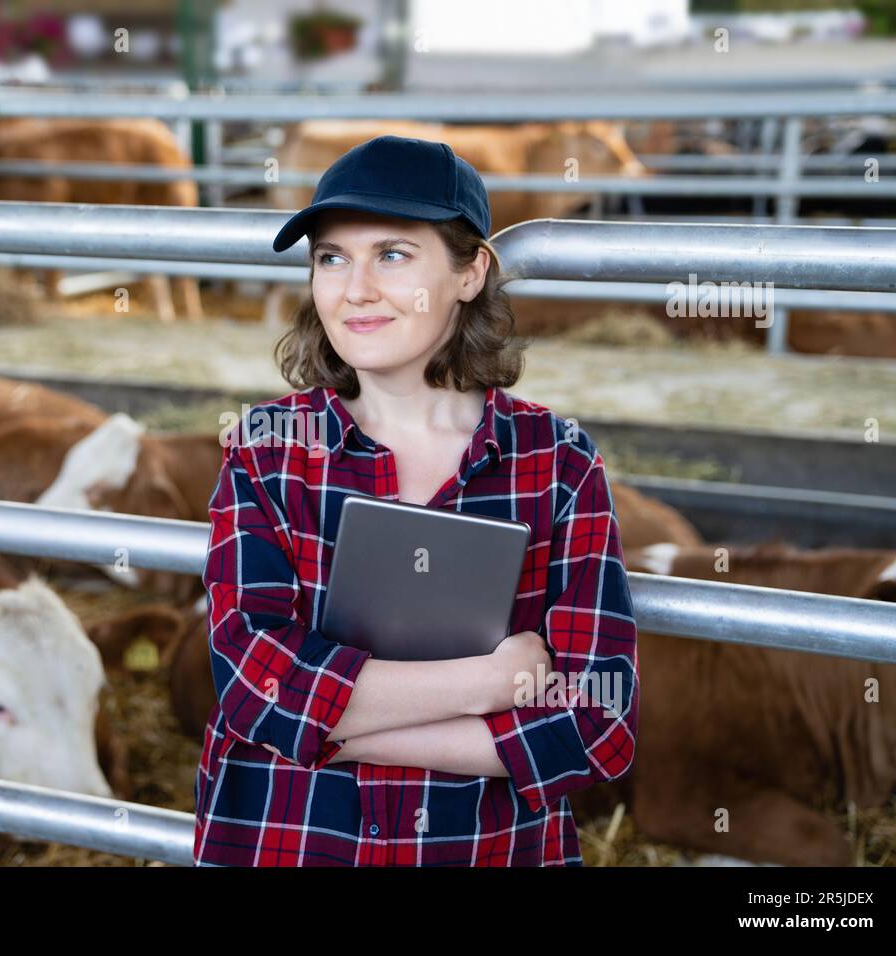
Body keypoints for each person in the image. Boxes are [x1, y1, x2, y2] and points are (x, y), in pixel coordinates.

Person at [192, 135, 639, 866]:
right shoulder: (270, 448)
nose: (354, 289)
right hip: (295, 841)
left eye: (392, 254)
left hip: (476, 847)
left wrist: (334, 733)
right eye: (331, 258)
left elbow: (598, 722)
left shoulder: (555, 462)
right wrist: (491, 682)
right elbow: (251, 680)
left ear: (470, 273)